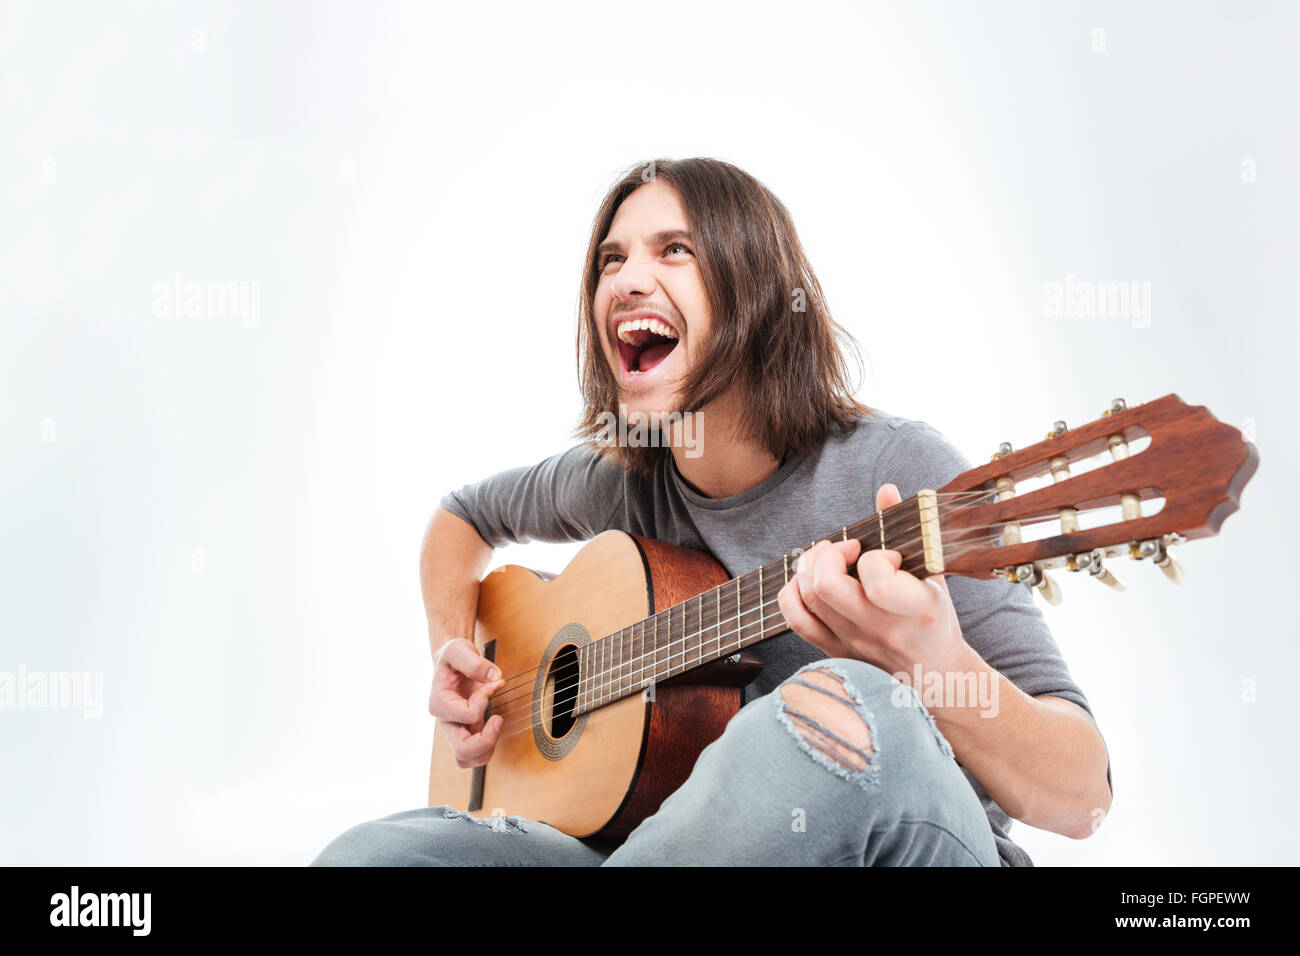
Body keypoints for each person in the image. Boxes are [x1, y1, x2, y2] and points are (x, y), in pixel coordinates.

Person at [311, 157, 1112, 867]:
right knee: (375, 854)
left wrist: (931, 661)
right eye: (611, 259)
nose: (625, 279)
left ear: (757, 290)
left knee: (842, 706)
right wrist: (457, 653)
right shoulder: (623, 476)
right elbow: (462, 518)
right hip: (655, 845)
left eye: (676, 250)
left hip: (904, 847)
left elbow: (1084, 796)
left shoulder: (895, 472)